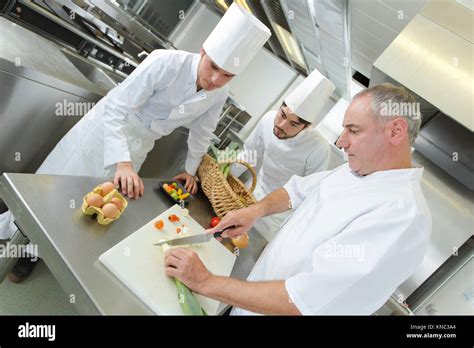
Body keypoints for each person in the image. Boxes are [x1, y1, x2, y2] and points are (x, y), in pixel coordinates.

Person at [0, 3, 271, 282]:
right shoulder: (165, 62)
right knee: (54, 188)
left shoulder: (218, 94)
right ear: (203, 51)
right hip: (106, 132)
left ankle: (37, 251)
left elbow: (201, 133)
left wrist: (190, 170)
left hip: (142, 144)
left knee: (92, 201)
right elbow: (116, 107)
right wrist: (123, 162)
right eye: (213, 66)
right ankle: (13, 241)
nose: (216, 79)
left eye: (227, 75)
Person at [163, 83, 432, 315]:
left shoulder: (402, 215)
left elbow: (304, 300)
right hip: (252, 301)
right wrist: (255, 211)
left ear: (395, 132)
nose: (341, 142)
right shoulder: (354, 171)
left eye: (354, 130)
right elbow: (298, 190)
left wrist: (206, 282)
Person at [231, 69, 335, 241]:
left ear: (306, 127)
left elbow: (307, 194)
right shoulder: (268, 119)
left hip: (275, 218)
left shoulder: (318, 148)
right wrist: (225, 175)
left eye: (293, 124)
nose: (281, 125)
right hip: (249, 195)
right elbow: (250, 154)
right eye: (282, 115)